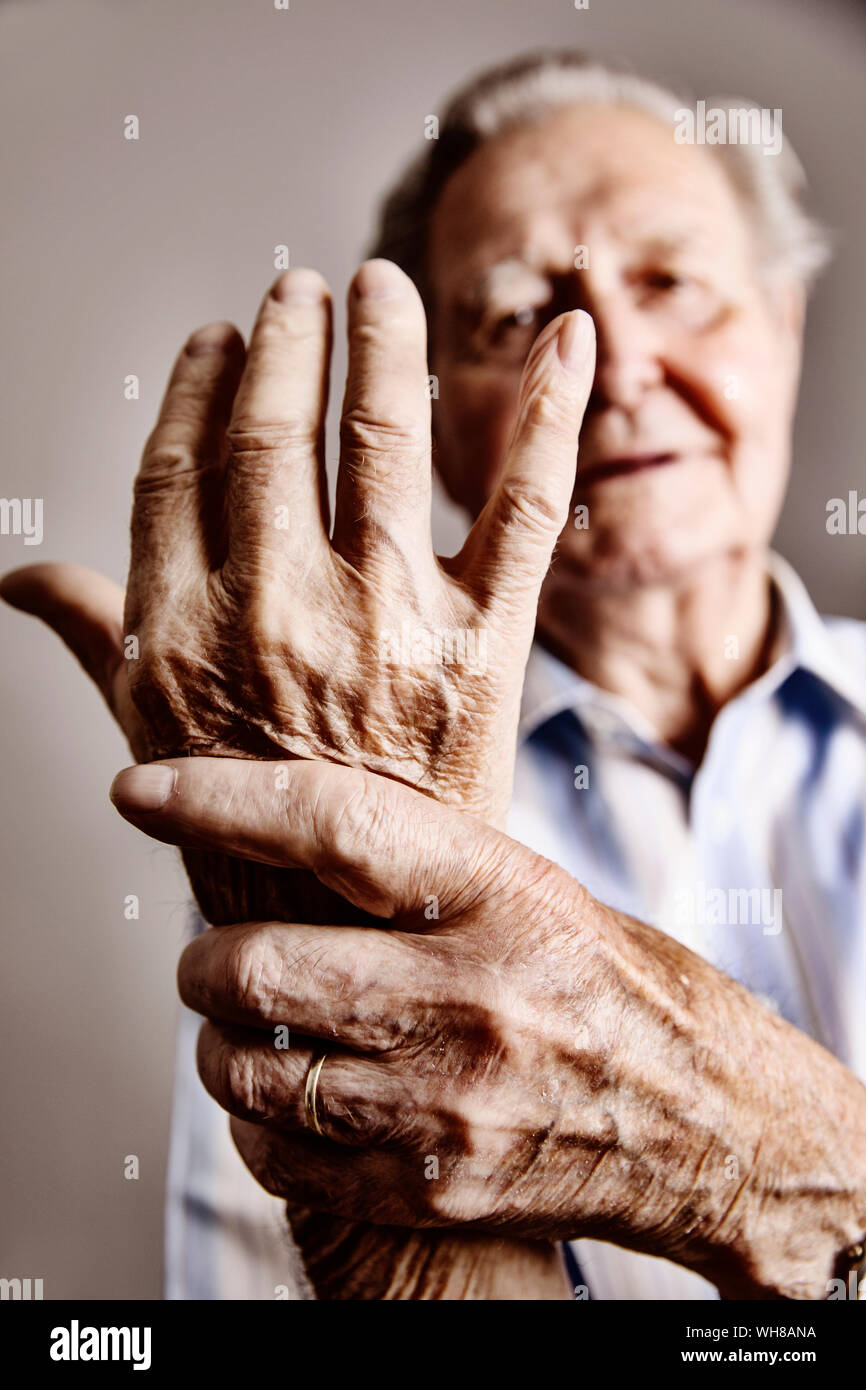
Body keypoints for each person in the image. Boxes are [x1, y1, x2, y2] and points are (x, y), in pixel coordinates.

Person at [3, 50, 866, 1301]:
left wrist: (764, 1164)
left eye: (672, 283)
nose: (615, 370)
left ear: (781, 329)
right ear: (437, 420)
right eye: (516, 317)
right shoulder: (328, 832)